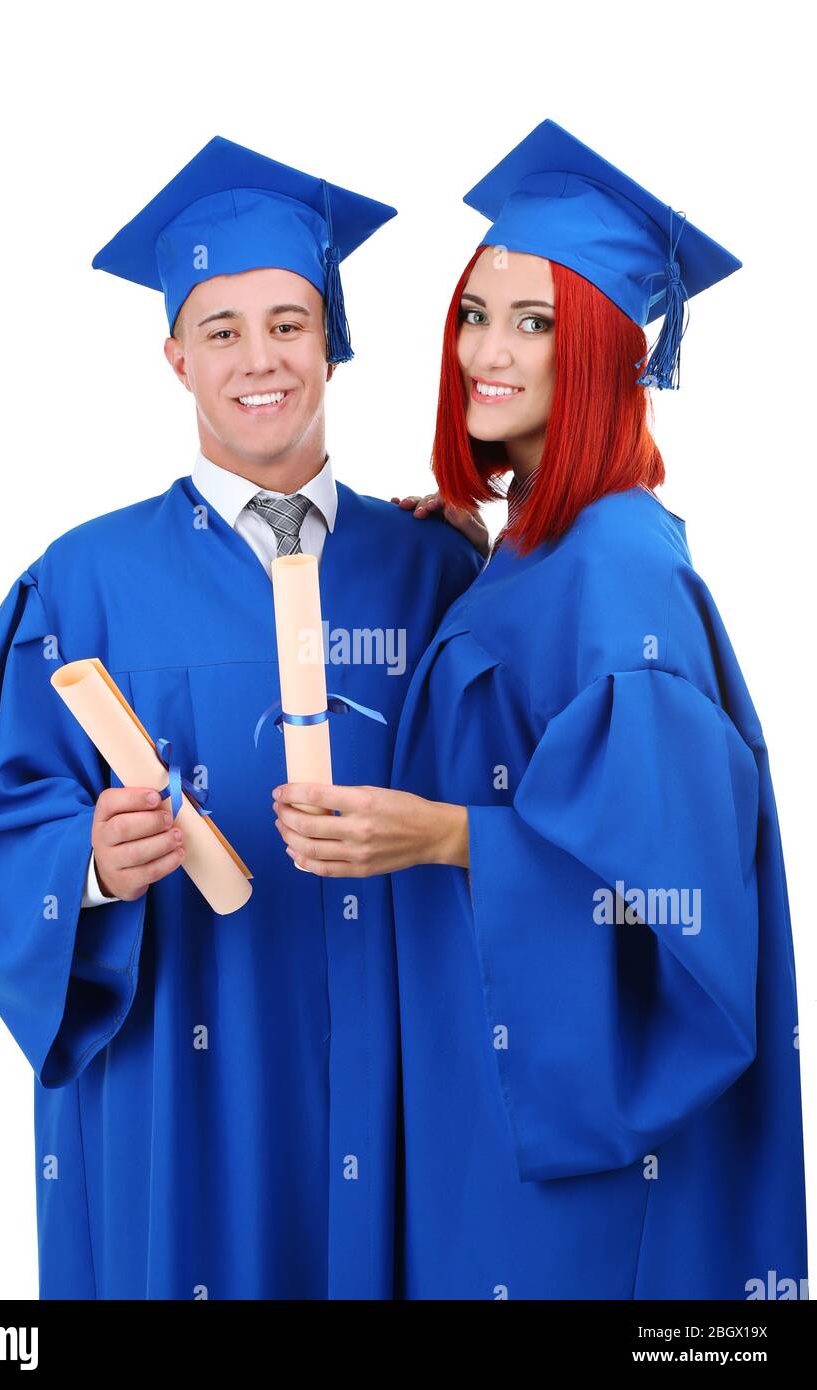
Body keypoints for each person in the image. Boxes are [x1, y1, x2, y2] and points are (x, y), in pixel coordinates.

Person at [0, 136, 484, 1300]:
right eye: (222, 330)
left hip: (402, 1077)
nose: (259, 359)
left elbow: (528, 809)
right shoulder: (83, 582)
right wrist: (90, 868)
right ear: (175, 355)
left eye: (288, 321)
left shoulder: (437, 571)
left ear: (331, 338)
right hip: (181, 1068)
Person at [272, 119, 809, 1299]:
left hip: (567, 1142)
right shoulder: (536, 550)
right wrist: (470, 571)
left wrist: (448, 834)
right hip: (485, 1095)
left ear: (617, 355)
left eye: (536, 322)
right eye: (475, 313)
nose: (484, 351)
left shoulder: (620, 569)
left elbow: (679, 893)